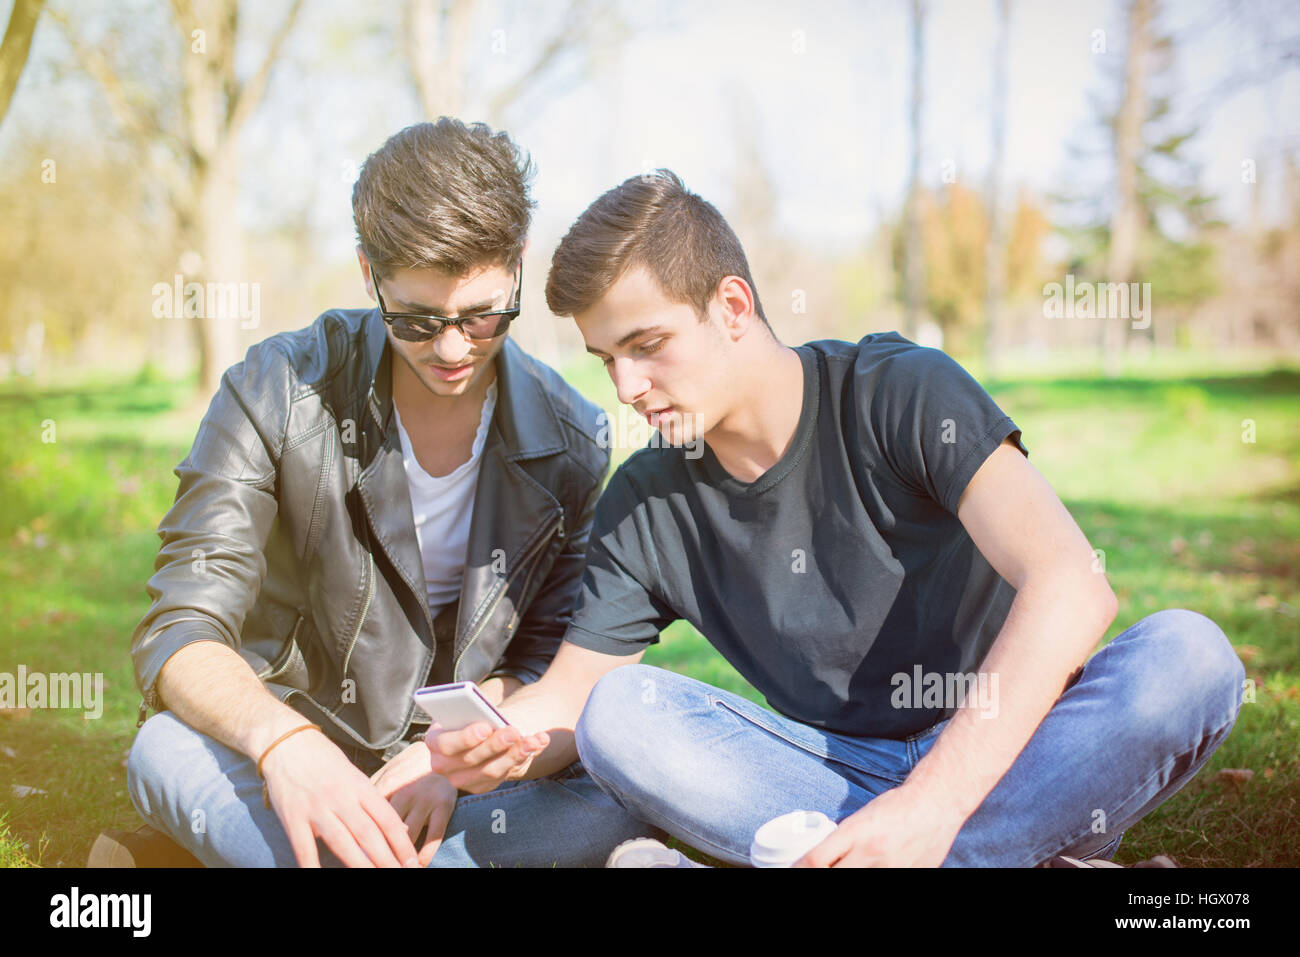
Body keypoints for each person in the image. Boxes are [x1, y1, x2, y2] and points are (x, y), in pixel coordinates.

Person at [420, 168, 1246, 868]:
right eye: (607, 359)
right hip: (828, 776)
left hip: (1014, 744)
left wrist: (932, 804)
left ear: (733, 306)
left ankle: (914, 847)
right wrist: (494, 746)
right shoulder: (647, 499)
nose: (627, 385)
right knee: (620, 716)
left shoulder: (900, 390)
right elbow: (574, 696)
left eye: (647, 344)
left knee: (1190, 656)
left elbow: (1073, 586)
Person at [120, 120, 658, 868]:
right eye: (415, 319)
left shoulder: (575, 438)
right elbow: (179, 628)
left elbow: (544, 666)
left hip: (456, 779)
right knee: (164, 749)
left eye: (481, 316)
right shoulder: (275, 387)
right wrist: (287, 745)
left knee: (616, 808)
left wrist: (456, 759)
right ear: (369, 274)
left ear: (518, 264)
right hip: (287, 737)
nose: (451, 349)